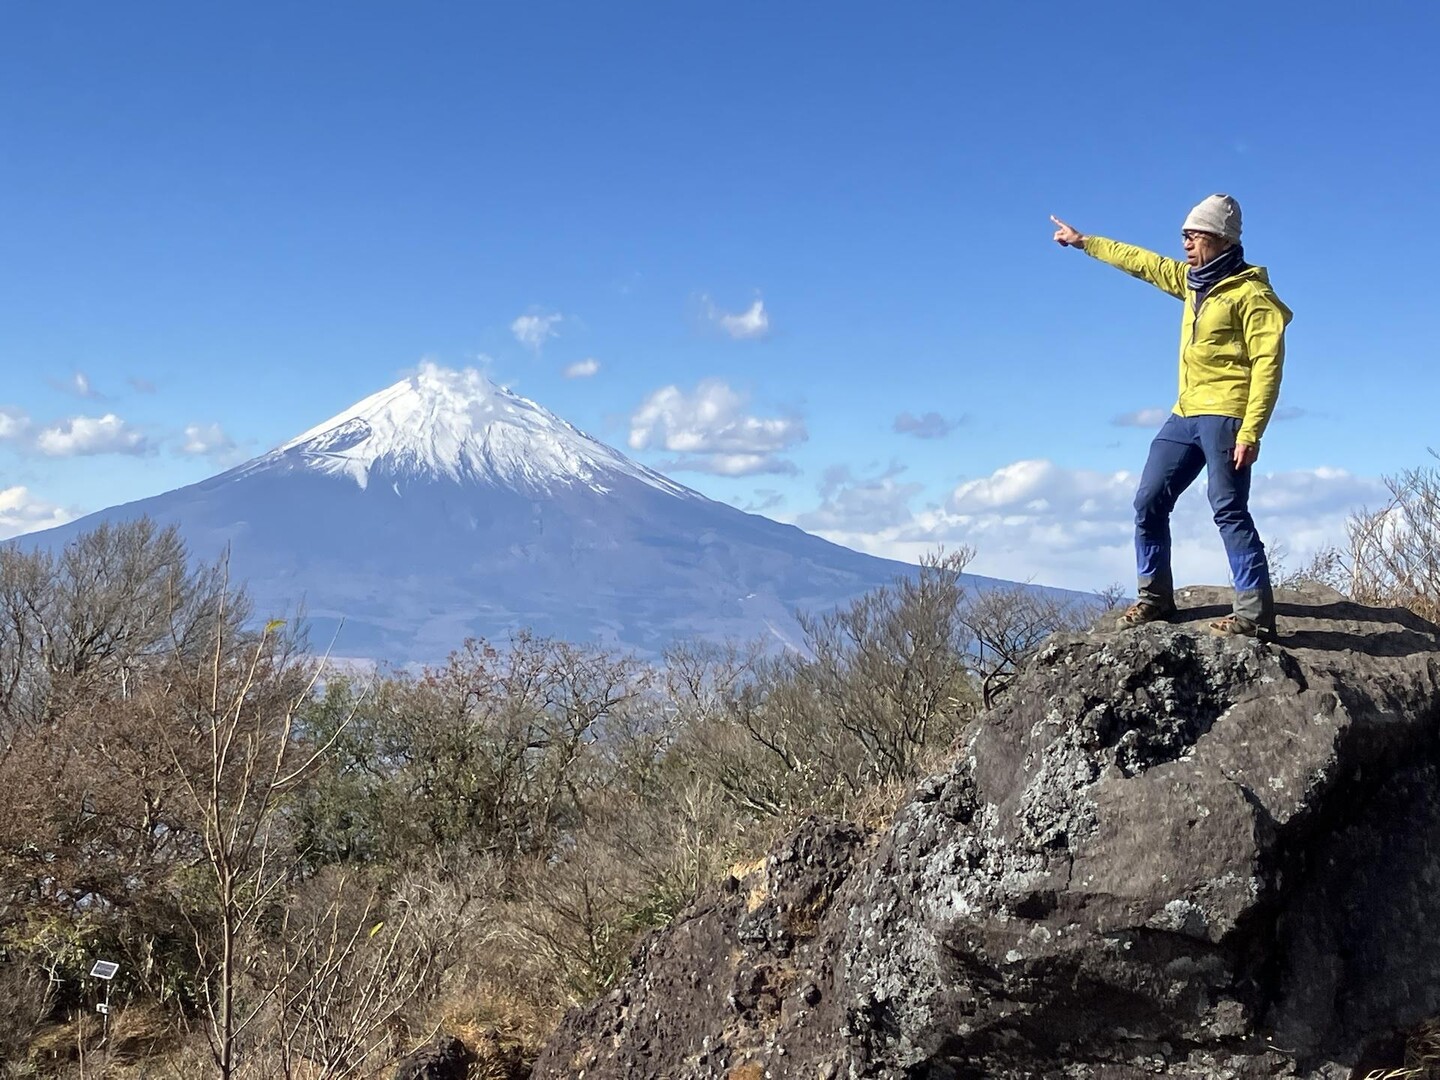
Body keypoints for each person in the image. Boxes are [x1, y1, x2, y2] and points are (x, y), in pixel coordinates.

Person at [1050, 195, 1293, 638]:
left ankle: (1255, 616)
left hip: (1227, 413)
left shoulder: (1251, 295)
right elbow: (1142, 263)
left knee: (1228, 508)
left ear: (1223, 240)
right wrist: (1085, 242)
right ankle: (1155, 598)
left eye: (1195, 235)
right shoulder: (1192, 281)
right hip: (1184, 412)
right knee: (1148, 500)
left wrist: (1251, 431)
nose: (1185, 244)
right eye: (1184, 235)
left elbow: (1268, 366)